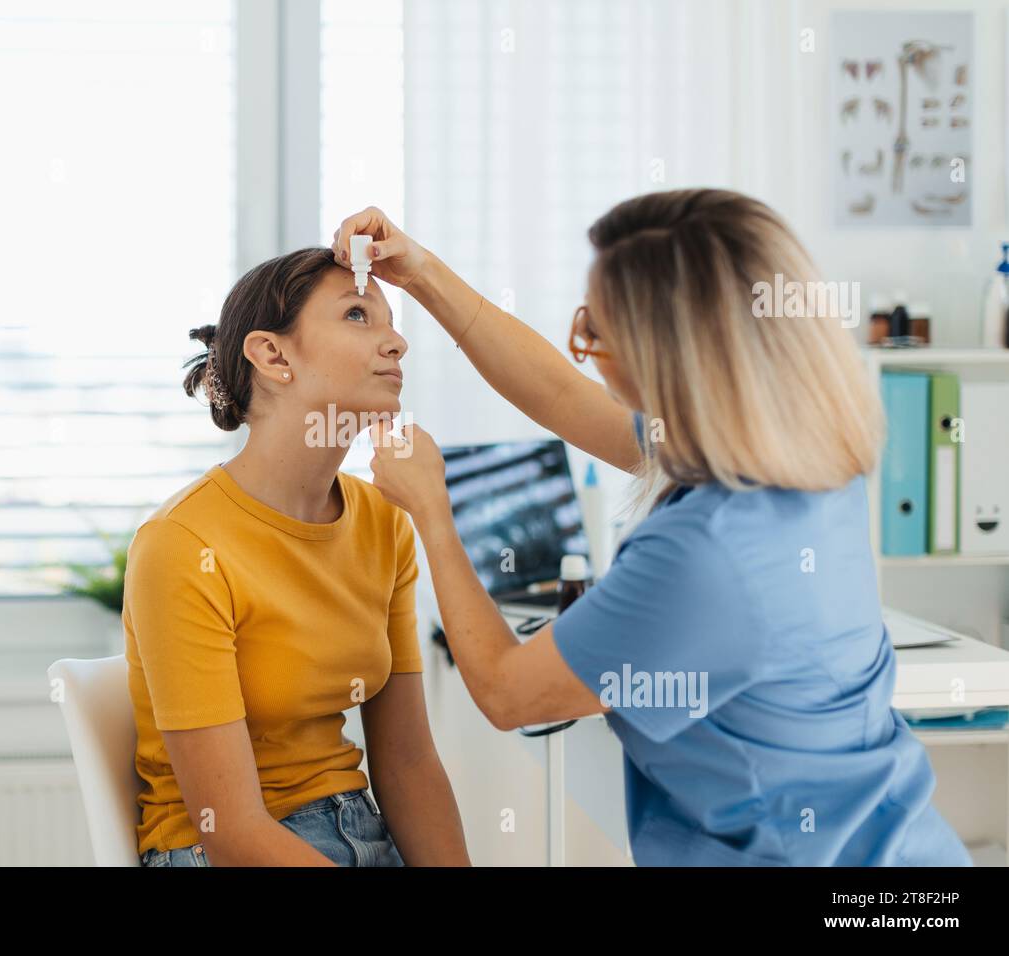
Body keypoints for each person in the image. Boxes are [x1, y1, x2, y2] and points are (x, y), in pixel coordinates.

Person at [331, 189, 972, 866]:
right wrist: (423, 272)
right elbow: (559, 395)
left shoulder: (704, 556)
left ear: (669, 357)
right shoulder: (803, 455)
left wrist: (433, 510)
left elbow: (505, 690)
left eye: (599, 331)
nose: (584, 350)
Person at [123, 247, 471, 866]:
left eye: (392, 322)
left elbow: (409, 764)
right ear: (273, 355)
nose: (396, 343)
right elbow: (229, 831)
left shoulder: (384, 521)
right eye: (359, 316)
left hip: (360, 829)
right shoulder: (183, 544)